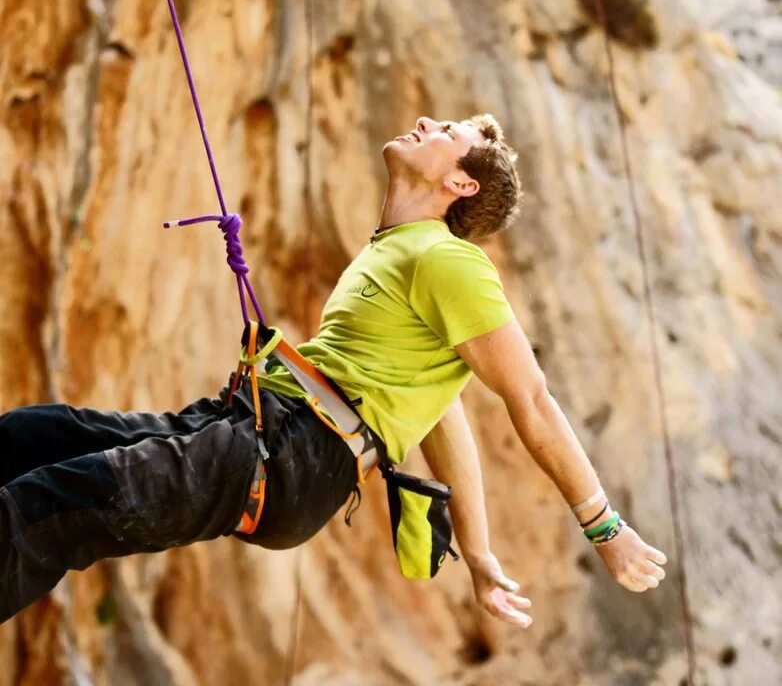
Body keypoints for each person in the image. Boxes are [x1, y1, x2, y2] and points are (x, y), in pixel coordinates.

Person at [0, 114, 666, 626]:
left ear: (460, 184)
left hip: (296, 456)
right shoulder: (398, 250)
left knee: (54, 507)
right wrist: (479, 549)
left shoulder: (451, 261)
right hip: (258, 427)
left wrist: (604, 526)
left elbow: (534, 399)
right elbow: (442, 411)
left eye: (448, 132)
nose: (428, 123)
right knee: (34, 437)